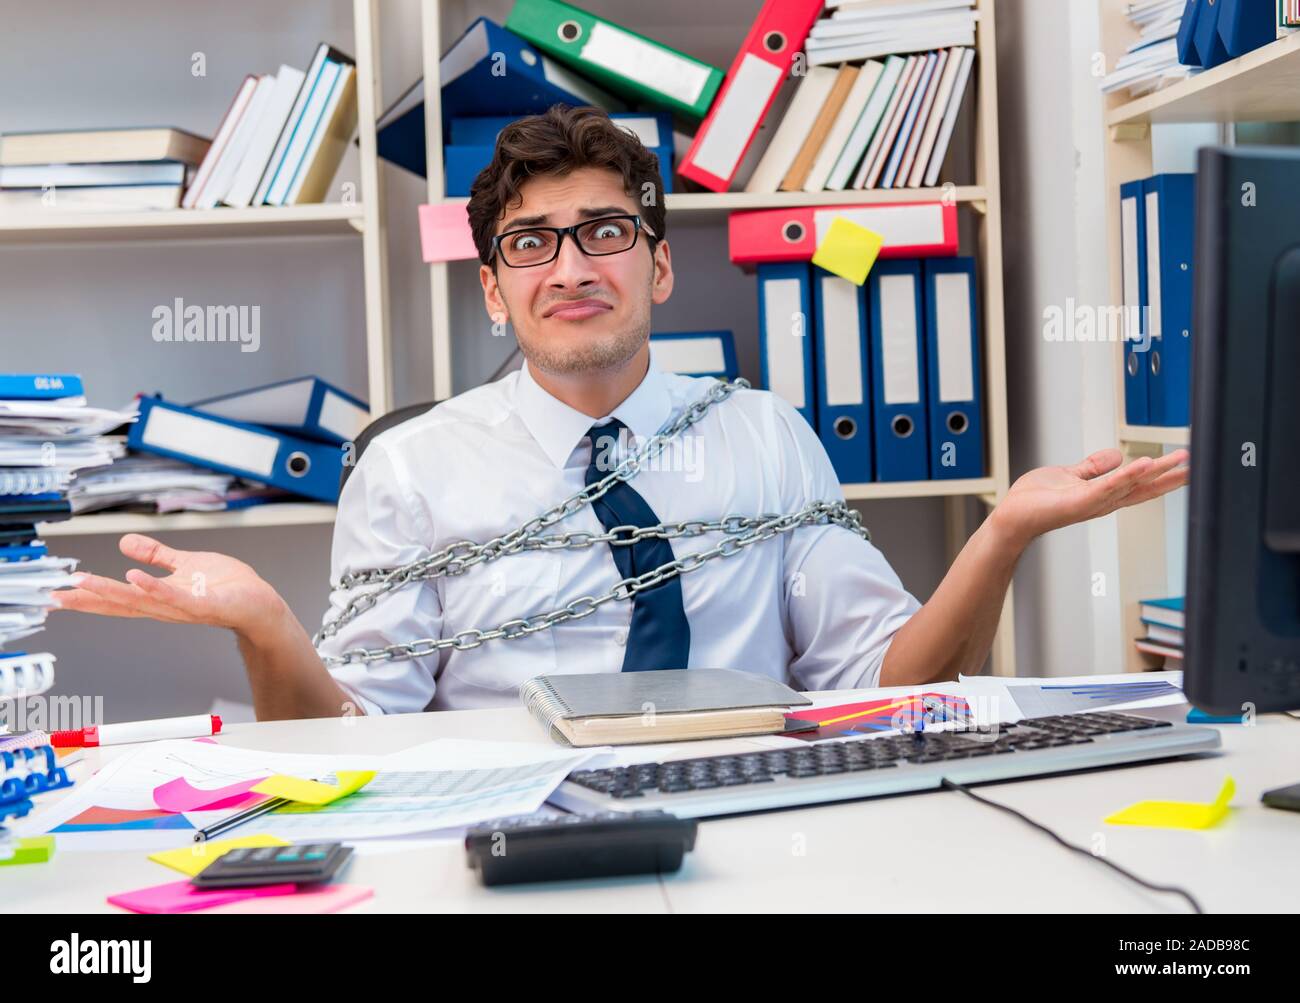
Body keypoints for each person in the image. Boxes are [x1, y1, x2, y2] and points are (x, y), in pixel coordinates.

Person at [54, 105, 1188, 720]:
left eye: (604, 232)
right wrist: (268, 628)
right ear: (493, 288)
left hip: (760, 809)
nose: (570, 266)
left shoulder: (766, 434)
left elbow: (892, 691)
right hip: (508, 824)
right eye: (529, 244)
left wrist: (999, 538)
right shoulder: (408, 472)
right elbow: (352, 746)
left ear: (657, 270)